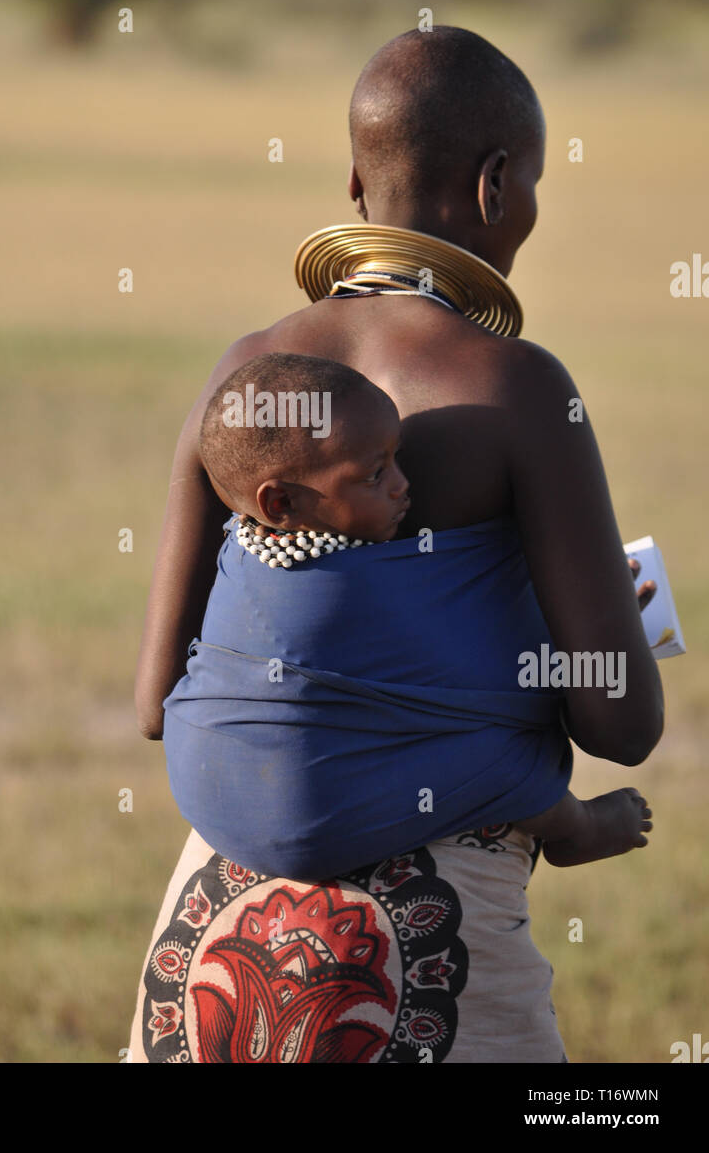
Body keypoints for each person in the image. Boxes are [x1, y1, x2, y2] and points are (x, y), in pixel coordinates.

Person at [127, 26, 664, 1064]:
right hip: (431, 930)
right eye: (533, 182)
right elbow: (621, 722)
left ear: (353, 184)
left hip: (214, 932)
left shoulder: (244, 373)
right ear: (495, 184)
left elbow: (156, 702)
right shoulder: (517, 385)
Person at [161, 350, 652, 880]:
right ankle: (576, 828)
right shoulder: (344, 587)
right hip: (306, 826)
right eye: (375, 475)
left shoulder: (240, 548)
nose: (402, 485)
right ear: (280, 503)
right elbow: (500, 674)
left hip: (201, 786)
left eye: (396, 458)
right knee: (497, 751)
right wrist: (599, 611)